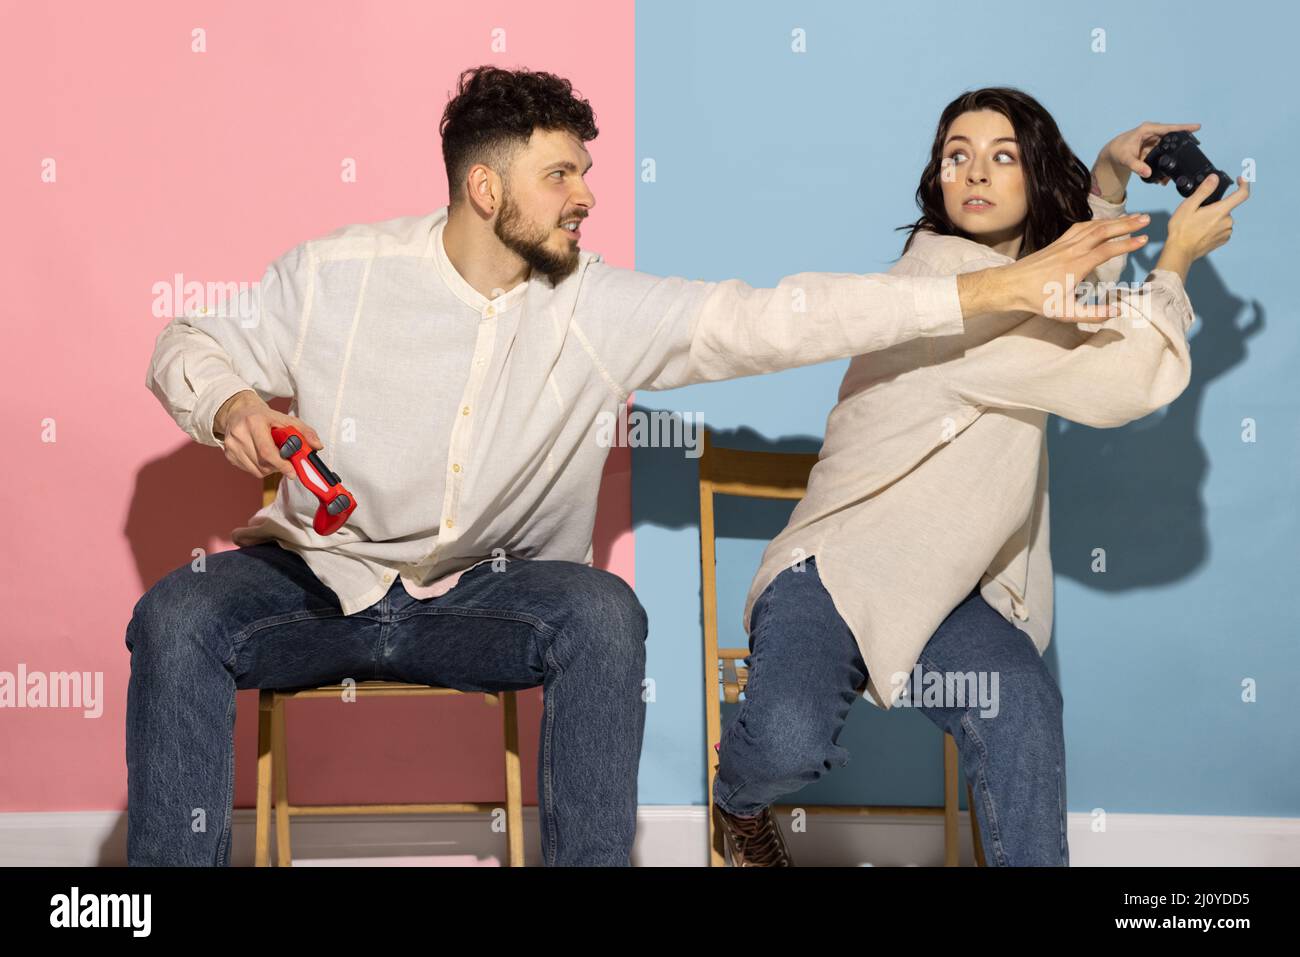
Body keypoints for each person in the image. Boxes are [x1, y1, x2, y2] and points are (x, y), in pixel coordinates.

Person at [130, 68, 1150, 867]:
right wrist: (223, 400)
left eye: (585, 171)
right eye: (560, 175)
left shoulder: (598, 306)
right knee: (178, 615)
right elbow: (187, 341)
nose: (585, 196)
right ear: (486, 190)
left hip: (487, 595)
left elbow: (775, 318)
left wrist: (999, 286)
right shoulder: (336, 277)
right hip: (322, 577)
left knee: (603, 613)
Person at [713, 88, 1248, 867]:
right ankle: (739, 804)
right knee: (788, 741)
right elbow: (1121, 376)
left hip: (949, 581)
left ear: (1034, 176)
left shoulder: (1018, 284)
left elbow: (1071, 296)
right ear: (936, 177)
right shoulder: (941, 280)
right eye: (956, 154)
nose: (973, 171)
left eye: (1002, 157)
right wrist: (1175, 261)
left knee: (1022, 707)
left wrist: (1105, 177)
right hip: (837, 567)